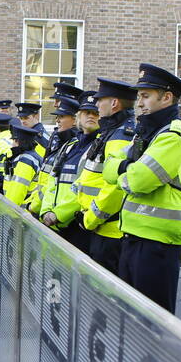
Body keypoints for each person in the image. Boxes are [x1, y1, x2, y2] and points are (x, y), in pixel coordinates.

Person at [91, 65, 181, 313]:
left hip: (158, 243)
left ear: (166, 97)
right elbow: (108, 168)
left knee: (151, 321)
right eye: (139, 96)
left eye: (145, 96)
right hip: (135, 236)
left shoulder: (173, 136)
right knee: (131, 317)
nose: (139, 103)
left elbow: (138, 181)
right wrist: (127, 169)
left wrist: (123, 171)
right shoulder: (148, 133)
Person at [80, 78, 138, 274]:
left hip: (109, 230)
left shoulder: (121, 135)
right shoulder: (110, 132)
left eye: (100, 100)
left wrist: (91, 218)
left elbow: (115, 185)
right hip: (100, 226)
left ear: (114, 103)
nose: (96, 105)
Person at [41, 93, 99, 254]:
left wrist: (58, 214)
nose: (91, 117)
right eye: (87, 112)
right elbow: (52, 180)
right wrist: (46, 210)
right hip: (54, 222)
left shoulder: (98, 146)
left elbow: (84, 186)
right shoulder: (70, 145)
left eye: (96, 113)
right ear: (78, 117)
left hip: (77, 226)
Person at [2, 123, 44, 209]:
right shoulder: (30, 157)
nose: (12, 144)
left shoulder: (25, 161)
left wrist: (7, 210)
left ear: (18, 141)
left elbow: (16, 192)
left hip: (21, 213)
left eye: (14, 140)